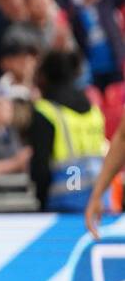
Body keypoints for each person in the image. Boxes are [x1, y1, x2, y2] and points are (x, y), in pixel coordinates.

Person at [30, 49, 106, 213]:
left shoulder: (46, 111)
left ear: (44, 76)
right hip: (99, 202)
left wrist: (41, 202)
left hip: (64, 204)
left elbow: (40, 168)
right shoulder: (94, 111)